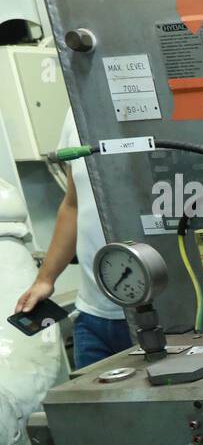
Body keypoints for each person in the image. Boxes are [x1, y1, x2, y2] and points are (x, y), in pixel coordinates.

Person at [13, 109, 132, 369]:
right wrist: (45, 279)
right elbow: (73, 205)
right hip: (92, 316)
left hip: (154, 315)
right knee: (89, 409)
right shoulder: (74, 112)